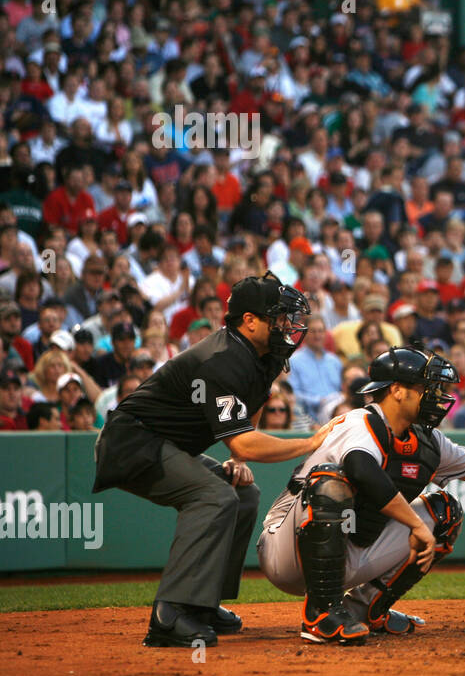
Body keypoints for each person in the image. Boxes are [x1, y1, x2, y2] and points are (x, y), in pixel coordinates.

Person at [257, 346, 465, 643]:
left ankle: (366, 611)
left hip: (351, 548)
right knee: (331, 484)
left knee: (444, 514)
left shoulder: (427, 441)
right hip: (287, 551)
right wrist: (414, 526)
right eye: (427, 387)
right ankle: (321, 614)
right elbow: (362, 470)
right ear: (397, 391)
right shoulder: (358, 422)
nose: (437, 396)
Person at [93, 272, 337, 648]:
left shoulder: (264, 353)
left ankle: (202, 603)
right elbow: (246, 444)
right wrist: (308, 443)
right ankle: (170, 614)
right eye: (278, 316)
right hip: (132, 441)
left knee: (243, 494)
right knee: (214, 496)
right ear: (249, 320)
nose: (287, 325)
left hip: (167, 443)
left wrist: (237, 457)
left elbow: (248, 413)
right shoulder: (220, 359)